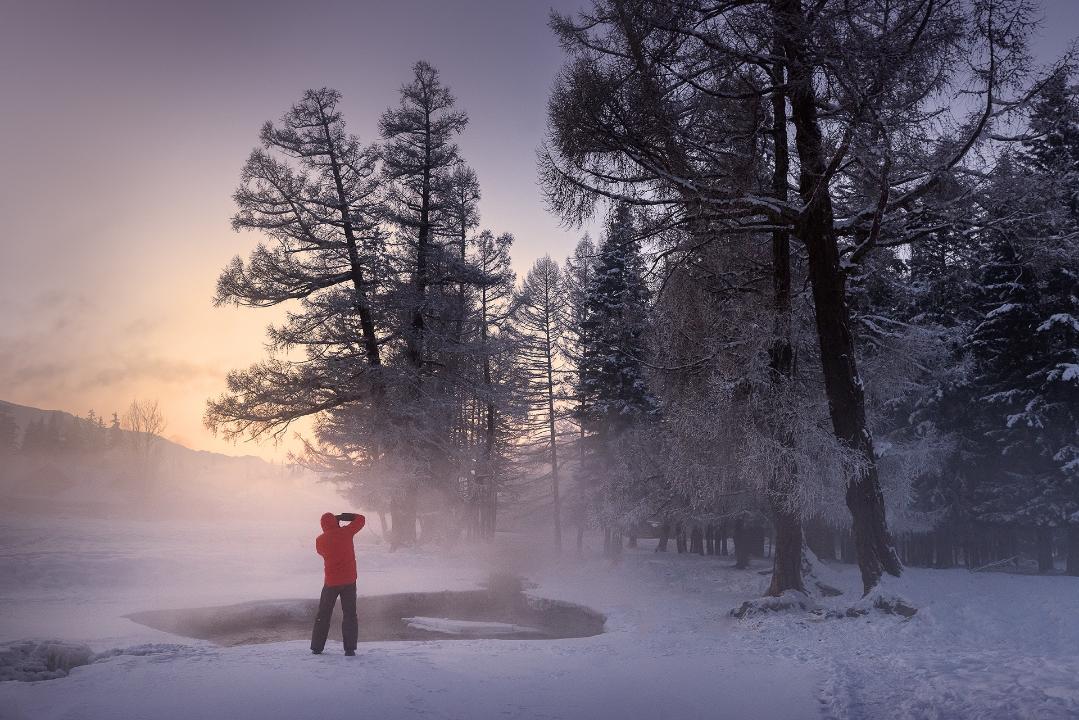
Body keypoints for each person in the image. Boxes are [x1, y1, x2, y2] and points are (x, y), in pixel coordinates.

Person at [311, 511, 365, 656]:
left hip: (331, 583)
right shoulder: (346, 533)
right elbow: (361, 519)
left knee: (323, 614)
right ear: (336, 521)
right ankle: (350, 649)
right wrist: (344, 517)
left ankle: (317, 647)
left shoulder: (320, 540)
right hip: (349, 581)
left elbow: (321, 552)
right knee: (349, 615)